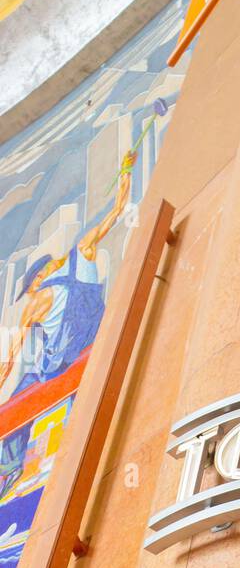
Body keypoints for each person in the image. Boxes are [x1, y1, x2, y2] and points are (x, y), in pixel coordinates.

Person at [0, 147, 137, 404]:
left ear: (39, 277)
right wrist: (127, 171)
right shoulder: (83, 250)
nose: (31, 293)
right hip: (93, 336)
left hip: (56, 363)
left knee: (23, 398)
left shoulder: (38, 300)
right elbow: (117, 210)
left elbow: (12, 353)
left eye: (31, 288)